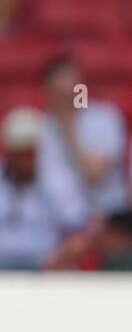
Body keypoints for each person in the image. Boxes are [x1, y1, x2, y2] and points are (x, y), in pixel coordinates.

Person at [0, 107, 87, 269]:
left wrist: (61, 257)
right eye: (19, 153)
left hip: (46, 268)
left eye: (29, 153)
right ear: (7, 151)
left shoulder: (59, 180)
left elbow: (78, 237)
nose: (25, 160)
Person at [37, 54, 128, 219]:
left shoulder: (105, 117)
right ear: (47, 89)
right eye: (61, 79)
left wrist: (69, 130)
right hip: (56, 219)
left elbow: (94, 174)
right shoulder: (39, 127)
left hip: (106, 214)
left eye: (72, 77)